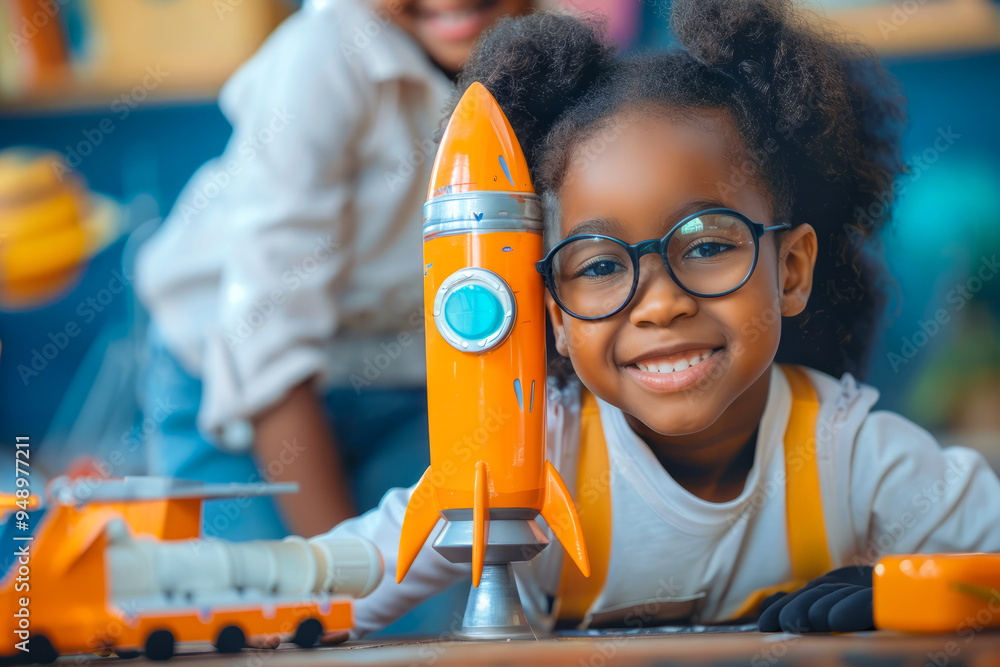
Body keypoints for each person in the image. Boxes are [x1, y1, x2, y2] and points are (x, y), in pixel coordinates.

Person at [312, 0, 1000, 636]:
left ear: (790, 269)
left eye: (706, 247)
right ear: (555, 316)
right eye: (600, 266)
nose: (662, 302)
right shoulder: (532, 460)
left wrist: (911, 588)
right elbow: (315, 588)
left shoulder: (853, 458)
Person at [135, 0, 537, 543]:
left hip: (404, 379)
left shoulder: (554, 52)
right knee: (256, 584)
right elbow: (266, 338)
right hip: (232, 374)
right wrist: (337, 569)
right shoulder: (319, 59)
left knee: (440, 571)